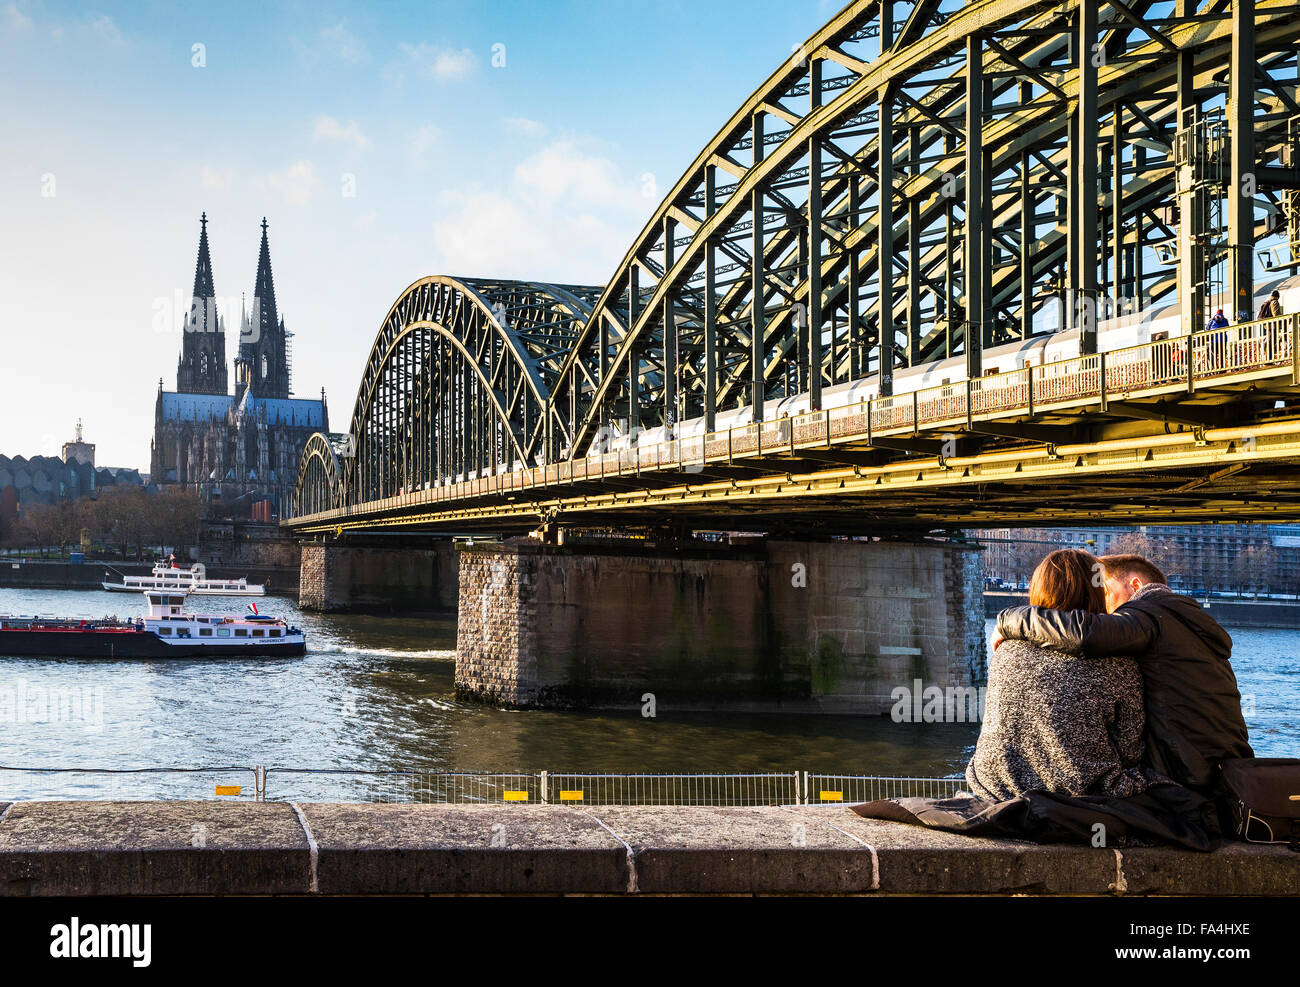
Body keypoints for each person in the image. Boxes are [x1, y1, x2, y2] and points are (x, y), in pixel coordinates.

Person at [995, 553, 1253, 797]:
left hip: (1185, 776)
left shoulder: (1149, 613)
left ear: (1136, 585)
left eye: (1106, 591)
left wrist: (1009, 619)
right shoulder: (1182, 621)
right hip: (1220, 771)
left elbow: (1087, 635)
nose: (1105, 605)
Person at [966, 549, 1147, 802]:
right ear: (1094, 592)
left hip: (995, 791)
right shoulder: (1117, 663)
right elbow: (1131, 751)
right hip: (1080, 799)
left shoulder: (1005, 648)